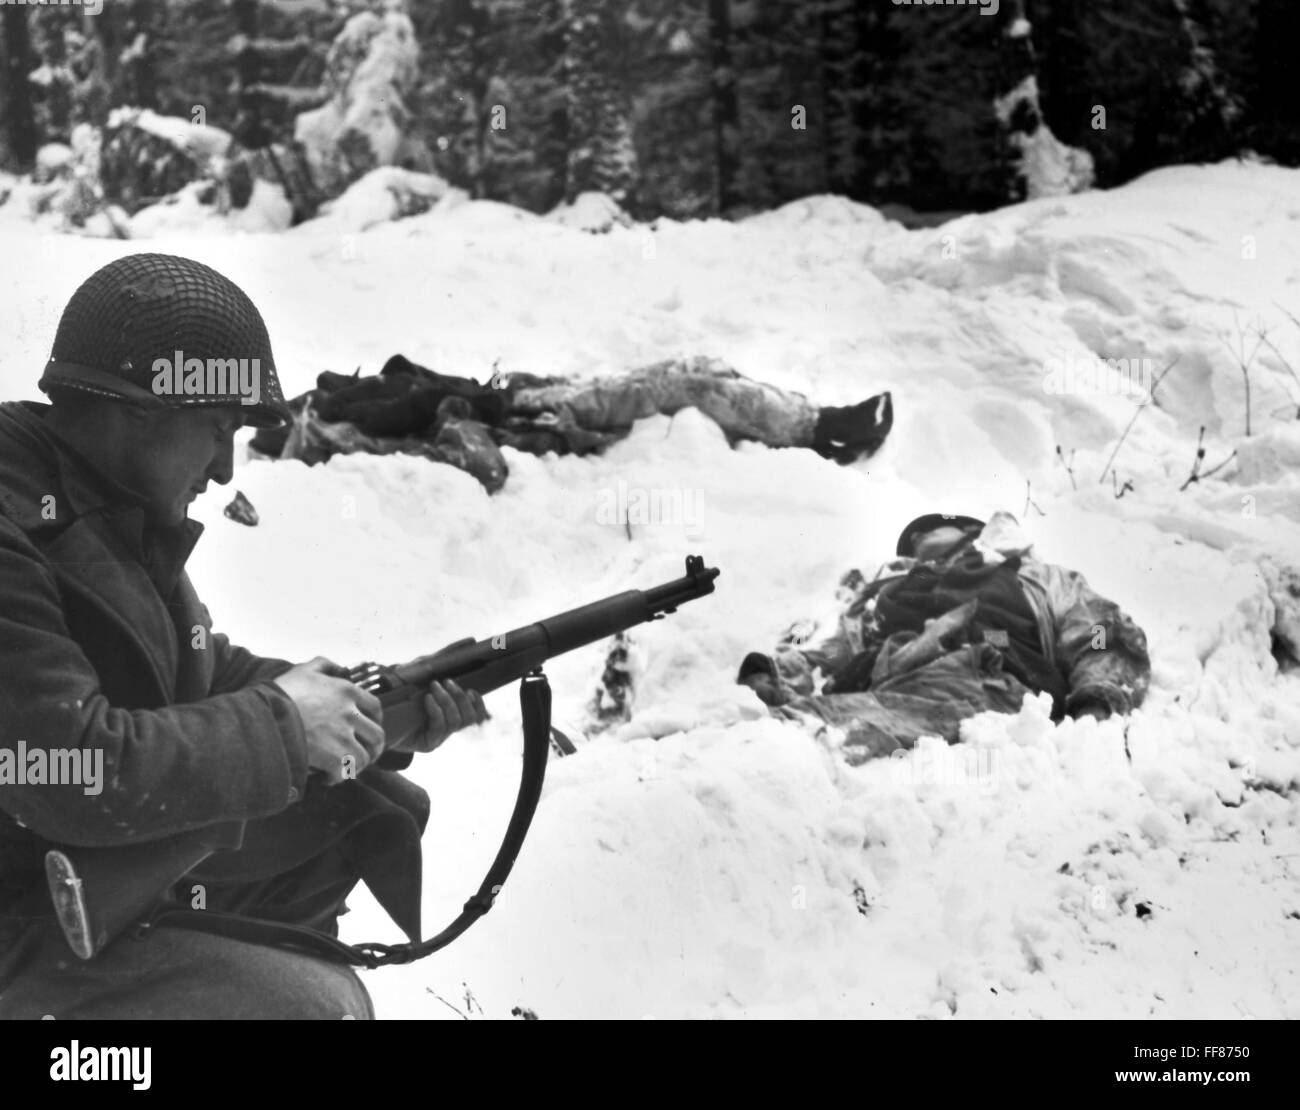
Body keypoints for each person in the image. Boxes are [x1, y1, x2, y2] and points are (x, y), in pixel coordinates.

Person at [0, 253, 488, 1019]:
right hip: (19, 913)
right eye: (216, 430)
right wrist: (287, 726)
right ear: (136, 411)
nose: (226, 471)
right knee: (311, 1007)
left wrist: (369, 702)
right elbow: (68, 771)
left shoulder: (93, 494)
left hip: (64, 879)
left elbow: (197, 672)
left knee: (350, 815)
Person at [738, 511, 1151, 762]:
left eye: (926, 534)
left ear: (969, 531)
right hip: (896, 680)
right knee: (791, 730)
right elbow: (836, 648)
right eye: (913, 544)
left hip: (986, 672)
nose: (918, 545)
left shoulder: (1038, 577)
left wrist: (1097, 696)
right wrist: (780, 676)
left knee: (807, 736)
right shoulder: (894, 588)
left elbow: (1100, 629)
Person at [248, 353, 894, 491]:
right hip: (536, 415)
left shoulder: (329, 407)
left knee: (690, 363)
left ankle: (804, 419)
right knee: (682, 383)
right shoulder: (334, 430)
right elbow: (466, 453)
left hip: (525, 395)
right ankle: (823, 430)